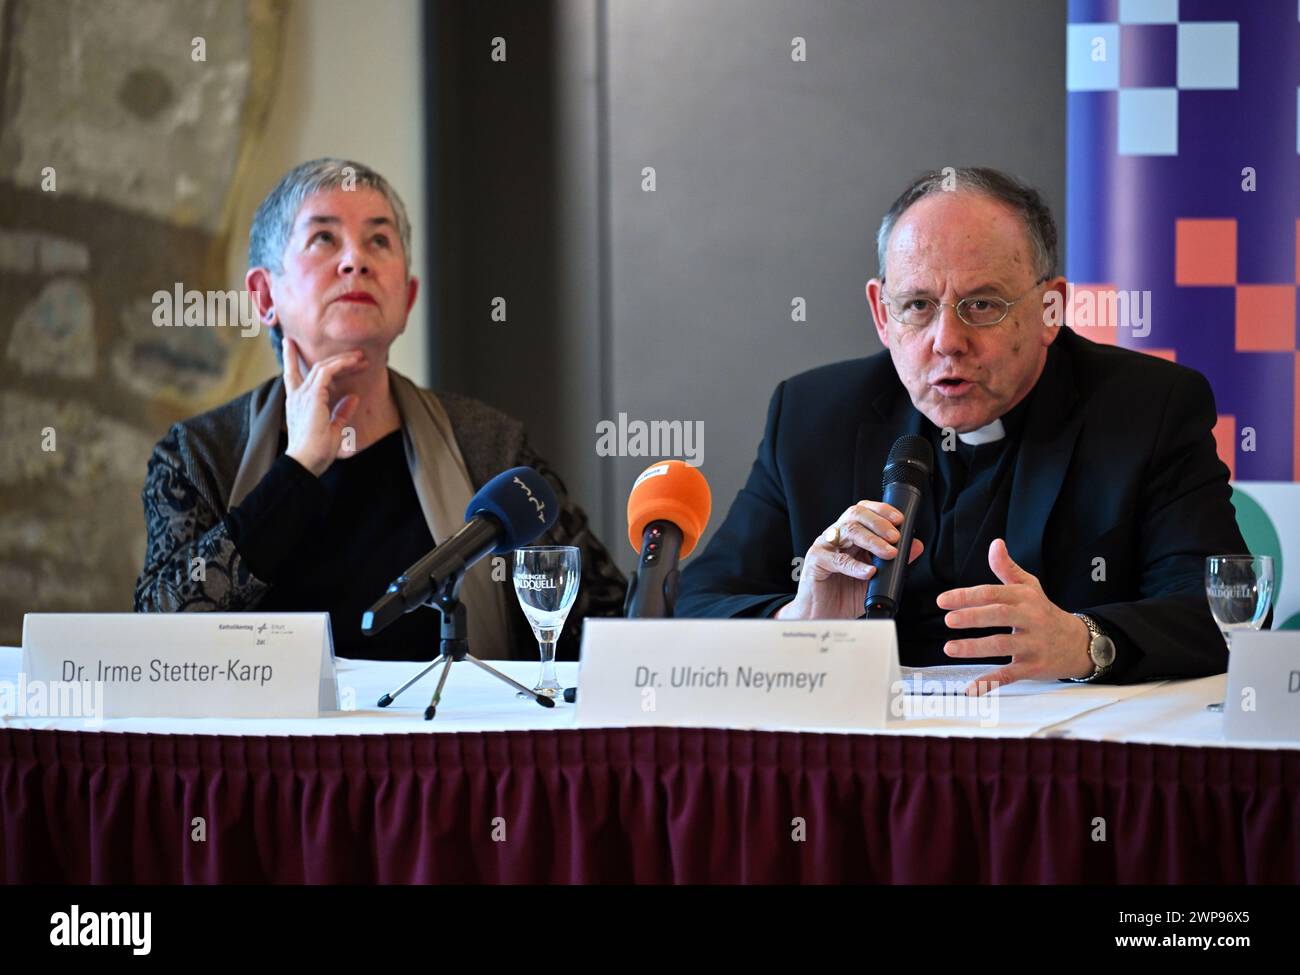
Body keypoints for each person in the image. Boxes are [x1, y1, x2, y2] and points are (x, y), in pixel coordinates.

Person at [677, 167, 1250, 693]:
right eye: (919, 305)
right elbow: (690, 605)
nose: (947, 340)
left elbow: (1224, 610)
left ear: (1051, 309)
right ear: (882, 313)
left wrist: (1084, 641)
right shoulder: (812, 415)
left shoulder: (1147, 408)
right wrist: (803, 620)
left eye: (982, 305)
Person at [134, 158, 625, 661]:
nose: (356, 261)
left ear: (407, 299)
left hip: (448, 738)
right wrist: (297, 471)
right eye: (324, 239)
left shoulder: (490, 447)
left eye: (379, 241)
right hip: (270, 743)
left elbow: (607, 626)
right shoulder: (197, 455)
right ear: (264, 296)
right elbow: (160, 644)